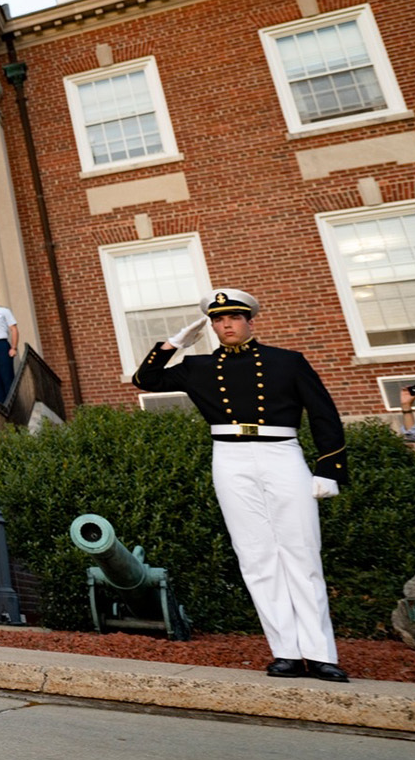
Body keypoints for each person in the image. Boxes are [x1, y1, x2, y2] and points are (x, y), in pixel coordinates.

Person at [133, 288, 349, 683]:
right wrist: (175, 343)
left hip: (282, 453)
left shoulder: (287, 362)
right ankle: (285, 651)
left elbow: (323, 413)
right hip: (229, 458)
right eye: (217, 320)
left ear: (250, 321)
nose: (225, 325)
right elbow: (144, 379)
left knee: (301, 553)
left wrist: (329, 468)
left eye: (232, 317)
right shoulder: (198, 366)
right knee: (256, 557)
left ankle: (320, 655)